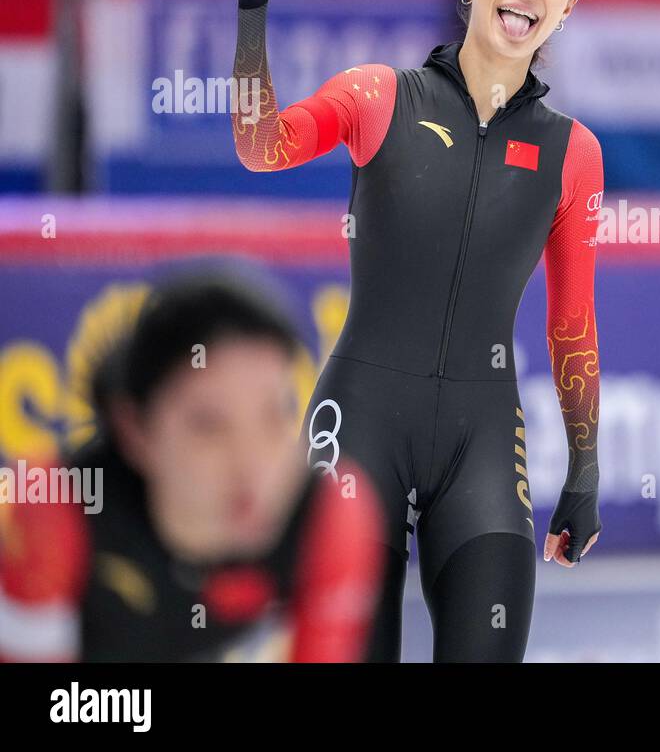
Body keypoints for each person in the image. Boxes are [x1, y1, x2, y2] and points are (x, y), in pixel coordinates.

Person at [222, 0, 604, 662]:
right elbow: (262, 146)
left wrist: (586, 470)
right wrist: (253, 11)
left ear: (567, 4)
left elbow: (572, 322)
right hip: (361, 422)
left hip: (485, 444)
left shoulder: (574, 153)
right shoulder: (378, 96)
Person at [0, 271, 385, 662]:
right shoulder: (53, 506)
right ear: (135, 431)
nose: (253, 467)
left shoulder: (332, 512)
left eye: (276, 414)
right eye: (209, 426)